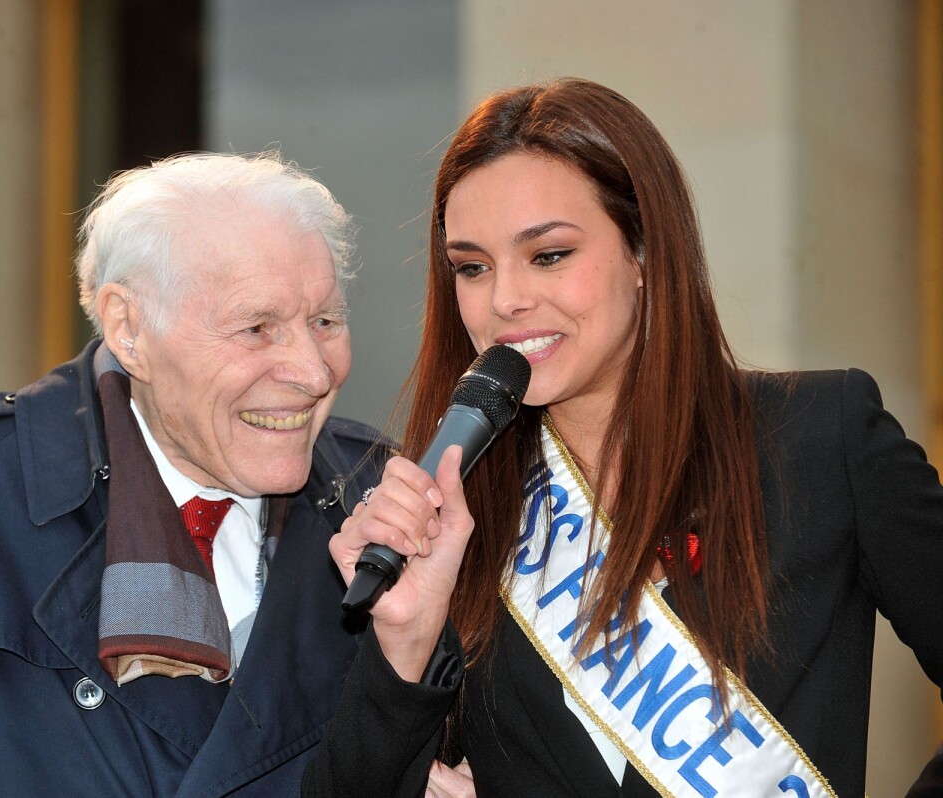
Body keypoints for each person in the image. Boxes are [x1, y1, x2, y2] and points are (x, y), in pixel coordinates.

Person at [302, 79, 943, 797]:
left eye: (548, 255)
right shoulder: (449, 506)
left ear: (643, 251)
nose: (505, 300)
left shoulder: (823, 438)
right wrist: (405, 643)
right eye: (472, 267)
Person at [0, 152, 388, 796]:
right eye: (257, 328)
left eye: (325, 321)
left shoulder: (382, 497)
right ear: (129, 327)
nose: (314, 373)